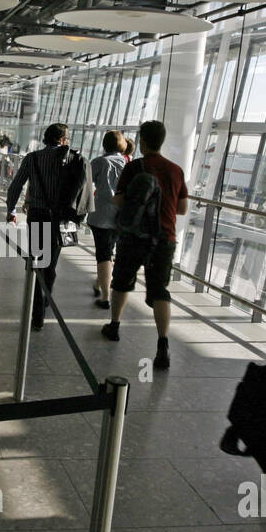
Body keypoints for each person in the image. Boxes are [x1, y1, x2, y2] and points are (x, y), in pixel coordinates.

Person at [101, 120, 188, 371]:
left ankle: (114, 326)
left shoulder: (135, 167)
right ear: (161, 140)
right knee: (160, 290)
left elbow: (118, 201)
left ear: (142, 140)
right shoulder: (176, 170)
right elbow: (181, 209)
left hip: (134, 236)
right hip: (164, 237)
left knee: (123, 281)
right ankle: (162, 344)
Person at [6, 123, 74, 331]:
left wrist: (12, 210)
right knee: (51, 264)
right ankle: (42, 304)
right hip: (60, 219)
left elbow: (16, 185)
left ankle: (38, 311)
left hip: (36, 215)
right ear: (62, 140)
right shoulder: (70, 160)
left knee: (38, 261)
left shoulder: (32, 158)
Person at [87, 130, 127, 309]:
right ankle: (99, 283)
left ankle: (105, 297)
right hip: (120, 216)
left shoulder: (100, 162)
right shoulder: (128, 163)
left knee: (103, 254)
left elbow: (86, 182)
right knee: (109, 251)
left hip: (101, 213)